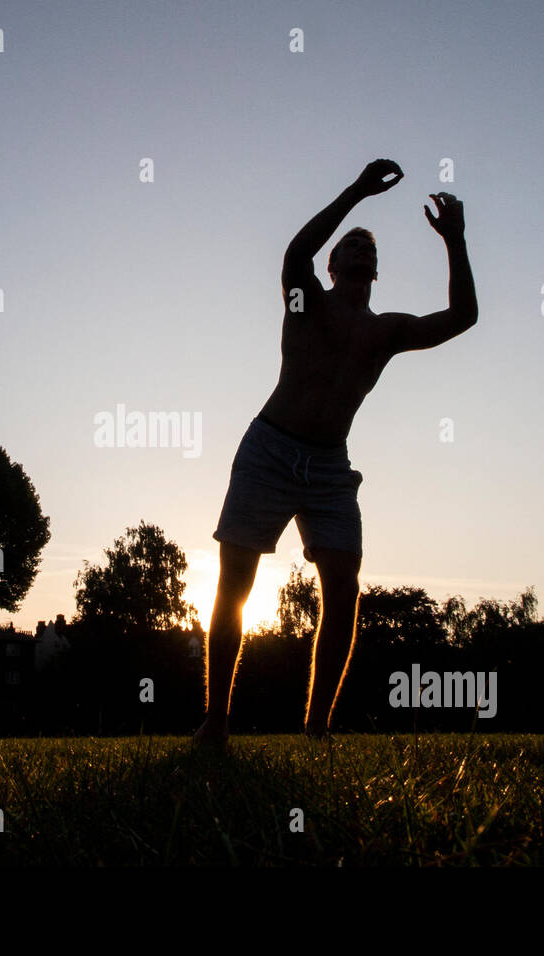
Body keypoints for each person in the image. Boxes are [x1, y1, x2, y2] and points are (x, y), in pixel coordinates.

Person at [194, 158, 478, 746]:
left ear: (376, 272)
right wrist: (355, 193)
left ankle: (317, 728)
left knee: (344, 590)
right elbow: (295, 253)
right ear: (333, 263)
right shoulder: (306, 301)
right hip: (268, 450)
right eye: (351, 244)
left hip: (329, 467)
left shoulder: (386, 332)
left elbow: (462, 317)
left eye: (370, 248)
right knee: (235, 586)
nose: (361, 249)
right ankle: (216, 723)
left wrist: (456, 240)